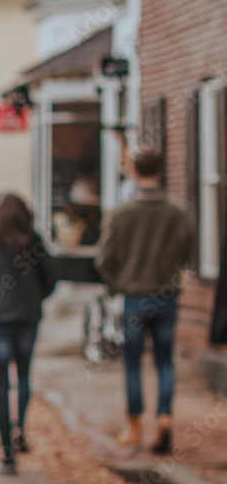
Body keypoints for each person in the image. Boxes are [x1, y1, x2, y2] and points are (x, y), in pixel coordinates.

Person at [95, 148, 194, 455]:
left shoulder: (121, 213)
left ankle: (134, 425)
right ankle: (164, 417)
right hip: (167, 297)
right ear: (160, 171)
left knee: (133, 363)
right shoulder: (178, 212)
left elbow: (104, 259)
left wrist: (119, 279)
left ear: (134, 173)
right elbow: (187, 250)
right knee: (165, 361)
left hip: (135, 298)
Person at [0, 194, 58, 475]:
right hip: (29, 320)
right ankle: (20, 429)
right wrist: (36, 298)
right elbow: (52, 278)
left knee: (2, 388)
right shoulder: (35, 241)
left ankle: (8, 457)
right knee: (25, 377)